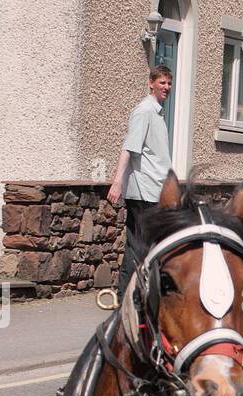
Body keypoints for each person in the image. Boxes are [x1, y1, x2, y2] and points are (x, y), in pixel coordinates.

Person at [108, 65, 173, 301]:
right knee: (136, 247)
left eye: (168, 83)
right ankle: (125, 299)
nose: (166, 87)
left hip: (156, 190)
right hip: (144, 192)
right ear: (151, 83)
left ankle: (141, 296)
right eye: (162, 82)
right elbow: (129, 148)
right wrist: (117, 183)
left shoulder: (157, 113)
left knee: (149, 247)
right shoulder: (144, 111)